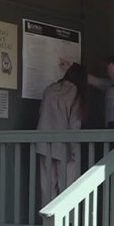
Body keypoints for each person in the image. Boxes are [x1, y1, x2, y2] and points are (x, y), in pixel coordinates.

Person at [36, 63, 88, 206]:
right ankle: (68, 223)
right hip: (65, 145)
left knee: (47, 186)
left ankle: (49, 222)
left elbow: (41, 113)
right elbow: (74, 125)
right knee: (68, 187)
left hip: (44, 144)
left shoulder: (49, 89)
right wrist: (73, 151)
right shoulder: (76, 94)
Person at [62, 52, 114, 129]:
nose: (107, 69)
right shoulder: (113, 84)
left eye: (108, 65)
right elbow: (95, 81)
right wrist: (70, 69)